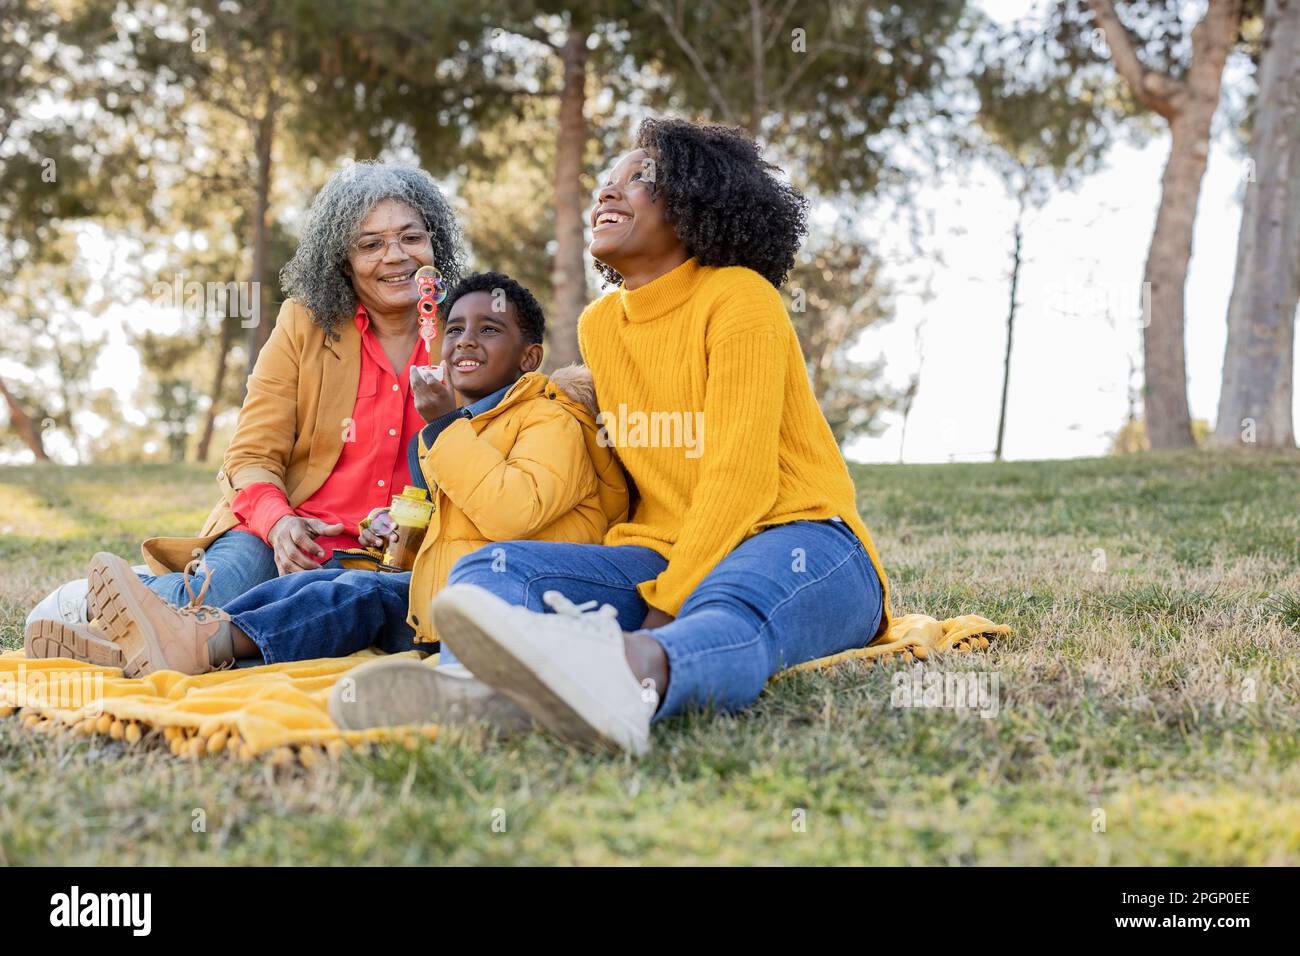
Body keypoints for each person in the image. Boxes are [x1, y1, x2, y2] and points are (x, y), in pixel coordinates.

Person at [361, 118, 893, 755]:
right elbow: (612, 474)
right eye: (603, 183)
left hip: (796, 540)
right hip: (661, 551)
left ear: (698, 203)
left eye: (640, 179)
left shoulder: (739, 299)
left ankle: (631, 674)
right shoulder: (601, 327)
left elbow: (739, 479)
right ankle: (475, 693)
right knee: (491, 572)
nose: (607, 194)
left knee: (726, 607)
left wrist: (664, 609)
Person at [68, 274, 628, 734]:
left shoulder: (552, 417)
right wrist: (395, 535)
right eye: (454, 329)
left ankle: (201, 641)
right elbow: (460, 526)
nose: (465, 341)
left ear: (530, 357)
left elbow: (513, 514)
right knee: (315, 584)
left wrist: (440, 427)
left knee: (352, 594)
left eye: (489, 329)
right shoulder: (474, 424)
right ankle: (177, 637)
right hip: (447, 590)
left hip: (504, 610)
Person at [25, 161, 464, 663]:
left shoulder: (465, 334)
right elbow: (251, 453)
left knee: (316, 622)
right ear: (344, 262)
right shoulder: (305, 324)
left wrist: (446, 419)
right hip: (283, 528)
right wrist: (280, 525)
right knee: (218, 599)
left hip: (389, 560)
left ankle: (118, 637)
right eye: (370, 245)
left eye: (411, 237)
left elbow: (486, 464)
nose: (396, 257)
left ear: (435, 243)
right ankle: (88, 605)